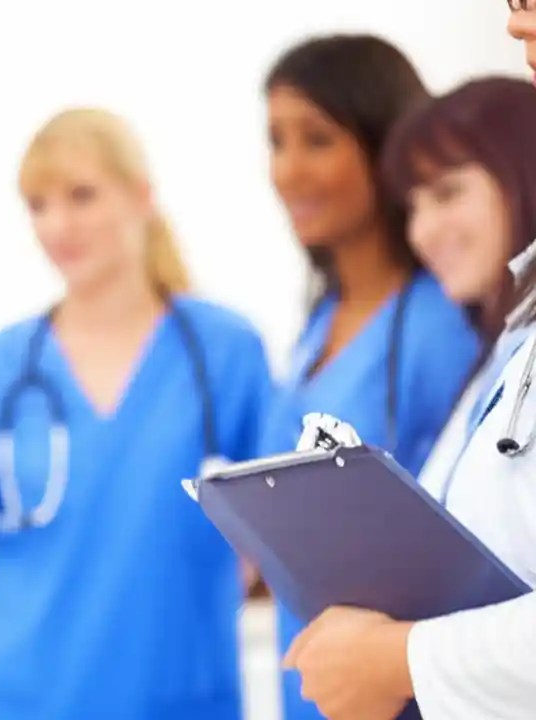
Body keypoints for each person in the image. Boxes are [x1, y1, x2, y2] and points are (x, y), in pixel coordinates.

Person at [0, 107, 270, 719]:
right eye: (38, 204)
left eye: (81, 196)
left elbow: (275, 534)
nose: (58, 224)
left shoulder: (226, 352)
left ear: (142, 195)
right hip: (20, 698)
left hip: (180, 697)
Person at [282, 75, 536, 720]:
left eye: (449, 192)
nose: (424, 230)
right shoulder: (498, 358)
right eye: (414, 205)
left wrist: (400, 657)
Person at [257, 34, 481, 720]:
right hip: (314, 688)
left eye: (317, 140)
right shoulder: (318, 324)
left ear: (387, 146)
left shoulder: (442, 326)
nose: (287, 171)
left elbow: (475, 549)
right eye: (275, 141)